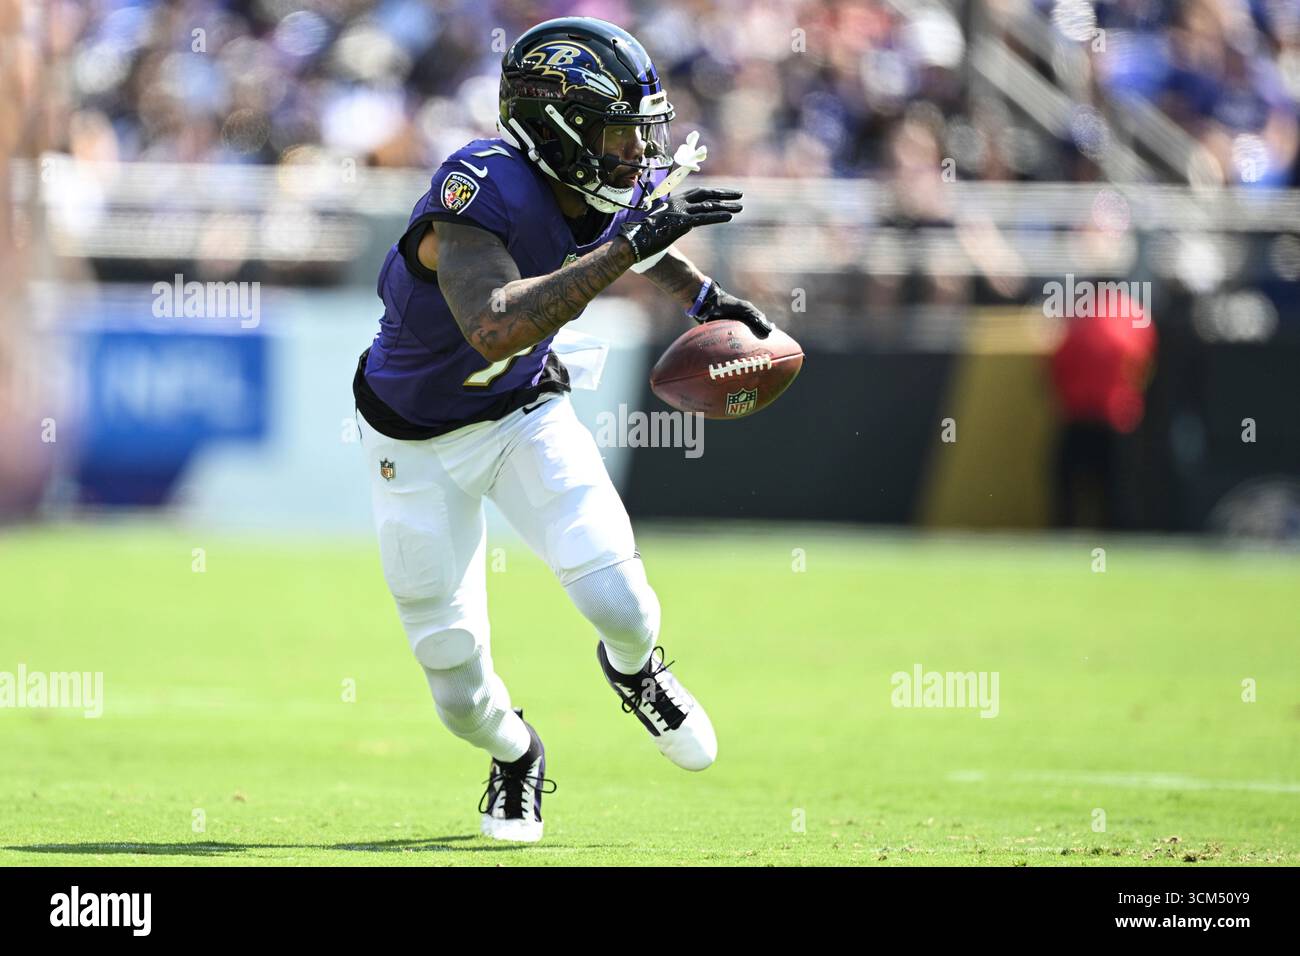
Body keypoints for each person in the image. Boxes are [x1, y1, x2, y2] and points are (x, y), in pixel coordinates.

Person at [351, 16, 774, 842]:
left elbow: (626, 233)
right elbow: (495, 325)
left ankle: (637, 672)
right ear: (559, 128)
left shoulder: (590, 183)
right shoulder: (477, 193)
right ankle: (516, 754)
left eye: (639, 137)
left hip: (521, 413)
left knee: (620, 599)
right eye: (619, 137)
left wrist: (698, 297)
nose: (635, 157)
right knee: (453, 679)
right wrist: (635, 247)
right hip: (412, 441)